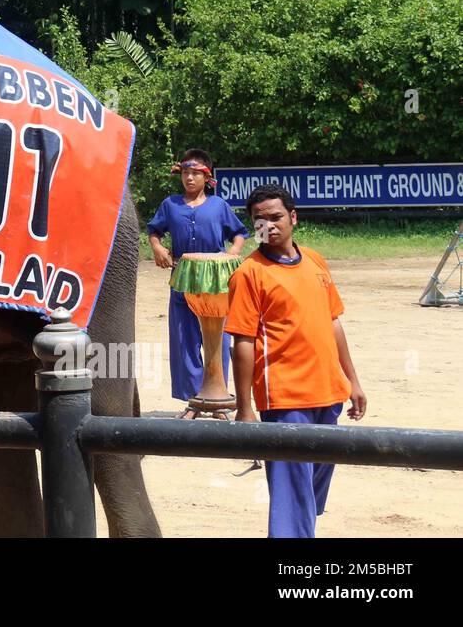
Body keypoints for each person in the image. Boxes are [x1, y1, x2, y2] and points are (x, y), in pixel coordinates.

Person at [226, 183, 368, 538]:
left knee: (310, 497)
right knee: (292, 502)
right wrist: (244, 406)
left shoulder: (316, 261)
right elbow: (242, 341)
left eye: (276, 217)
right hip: (286, 400)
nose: (269, 226)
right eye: (260, 220)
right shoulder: (249, 274)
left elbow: (332, 321)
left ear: (293, 218)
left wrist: (352, 380)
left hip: (329, 395)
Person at [147, 148, 246, 413]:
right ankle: (194, 400)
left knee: (219, 340)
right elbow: (154, 231)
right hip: (182, 277)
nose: (189, 179)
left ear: (207, 177)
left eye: (195, 174)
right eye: (185, 173)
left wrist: (232, 253)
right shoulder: (170, 205)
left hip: (215, 280)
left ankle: (217, 398)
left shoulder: (219, 205)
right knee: (184, 340)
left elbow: (239, 233)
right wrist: (157, 248)